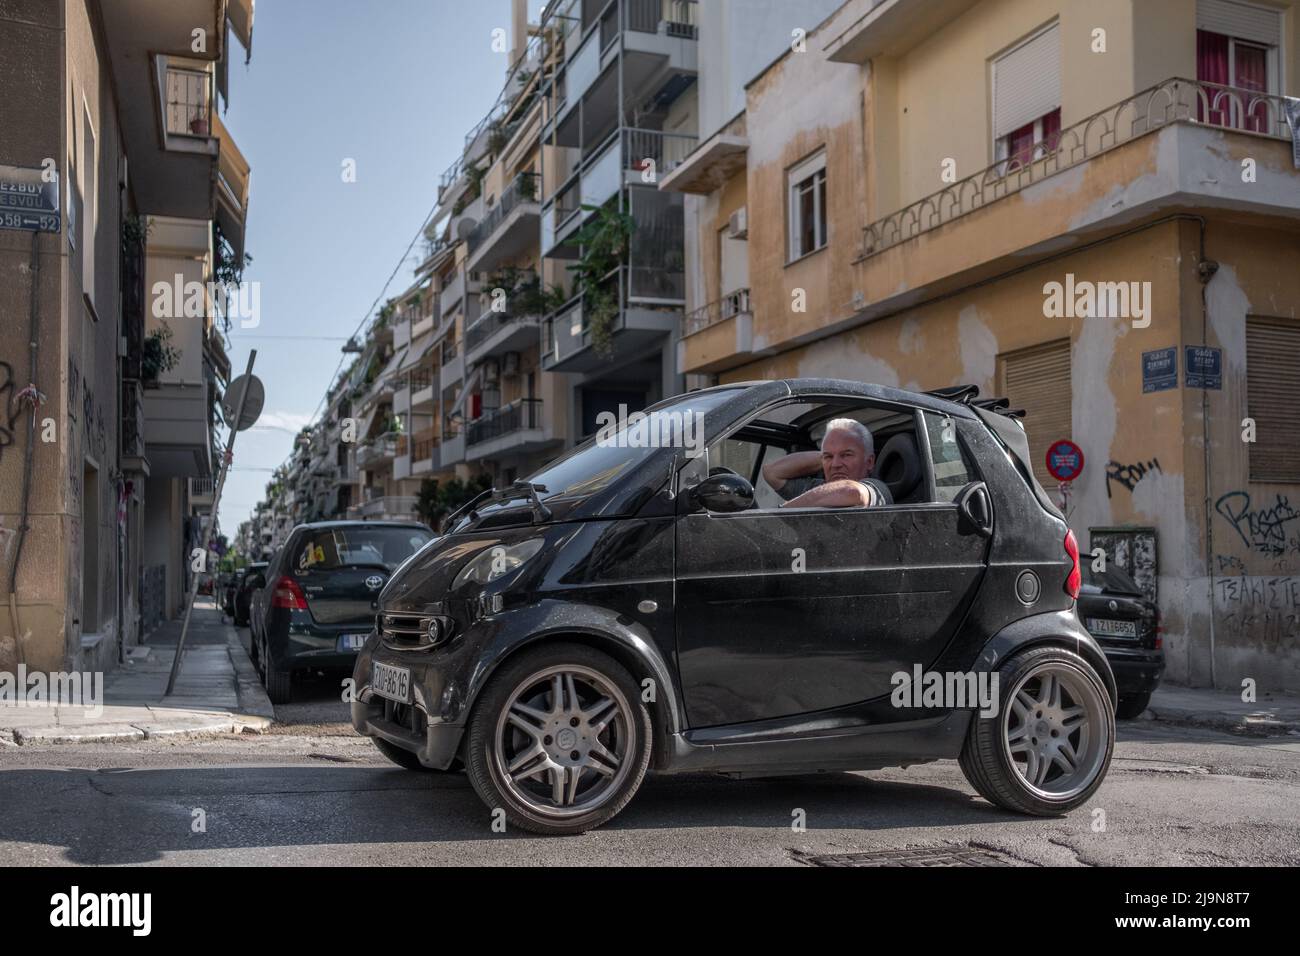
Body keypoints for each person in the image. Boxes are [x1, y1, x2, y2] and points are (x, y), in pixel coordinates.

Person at [762, 418, 893, 509]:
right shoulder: (820, 488)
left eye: (846, 455)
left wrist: (781, 514)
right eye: (828, 457)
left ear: (869, 462)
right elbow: (771, 472)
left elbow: (852, 492)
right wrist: (825, 457)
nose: (835, 464)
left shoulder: (877, 488)